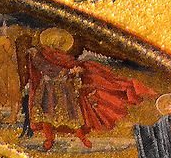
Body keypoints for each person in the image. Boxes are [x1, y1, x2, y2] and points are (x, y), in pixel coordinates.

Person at [25, 27, 153, 150]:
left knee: (72, 113)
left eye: (61, 43)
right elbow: (46, 68)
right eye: (58, 42)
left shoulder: (63, 56)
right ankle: (49, 138)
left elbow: (73, 65)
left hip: (65, 88)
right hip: (48, 88)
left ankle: (81, 137)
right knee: (47, 113)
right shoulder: (41, 55)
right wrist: (68, 71)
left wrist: (78, 69)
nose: (60, 45)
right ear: (52, 42)